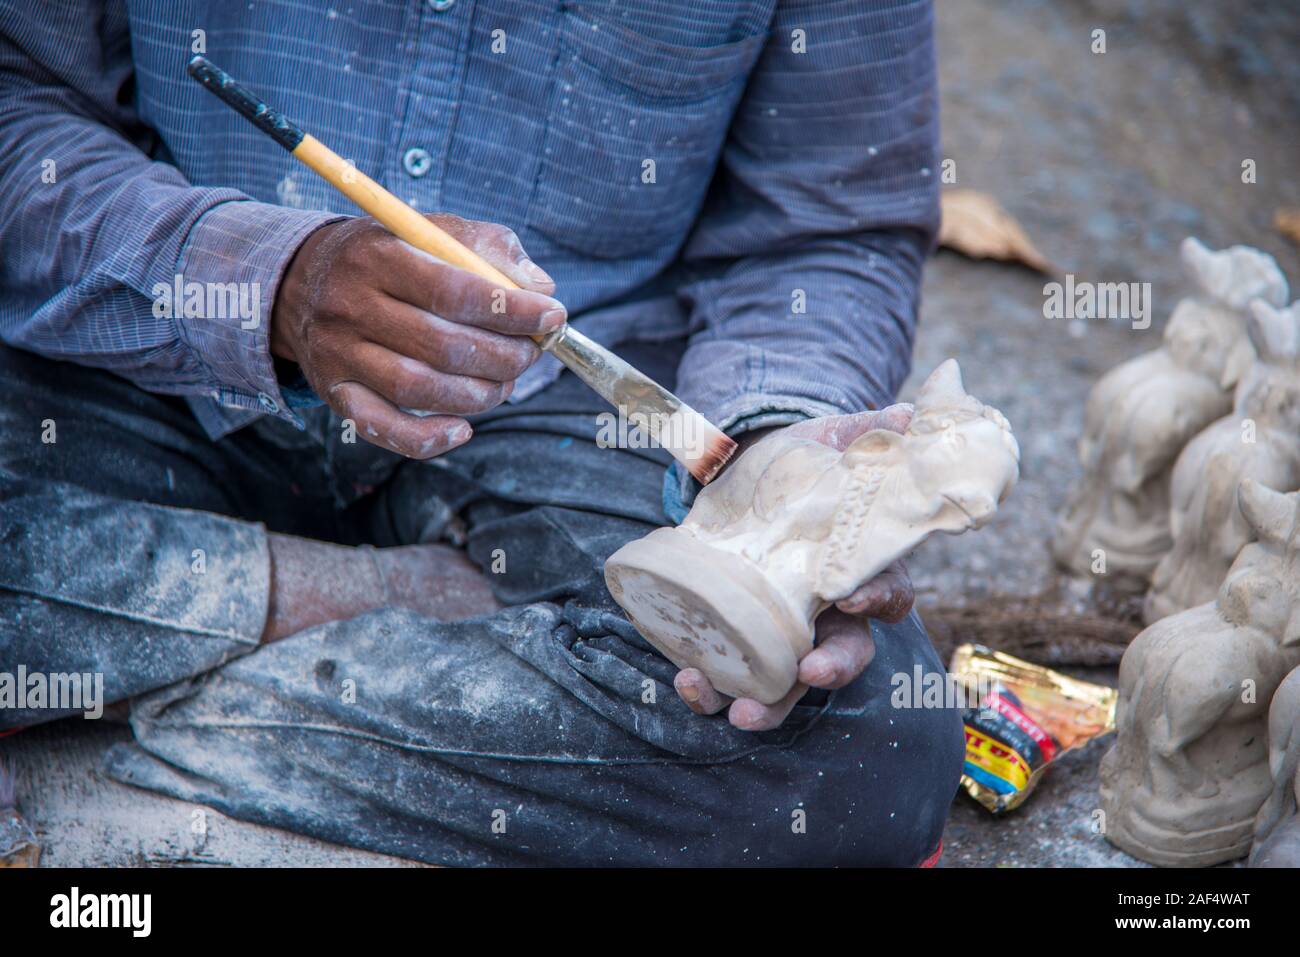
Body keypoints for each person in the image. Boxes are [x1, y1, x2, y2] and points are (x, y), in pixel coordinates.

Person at [0, 0, 961, 865]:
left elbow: (827, 232)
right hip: (138, 361)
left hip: (560, 419)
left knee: (863, 736)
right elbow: (20, 115)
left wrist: (778, 461)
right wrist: (274, 277)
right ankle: (436, 612)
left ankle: (107, 668)